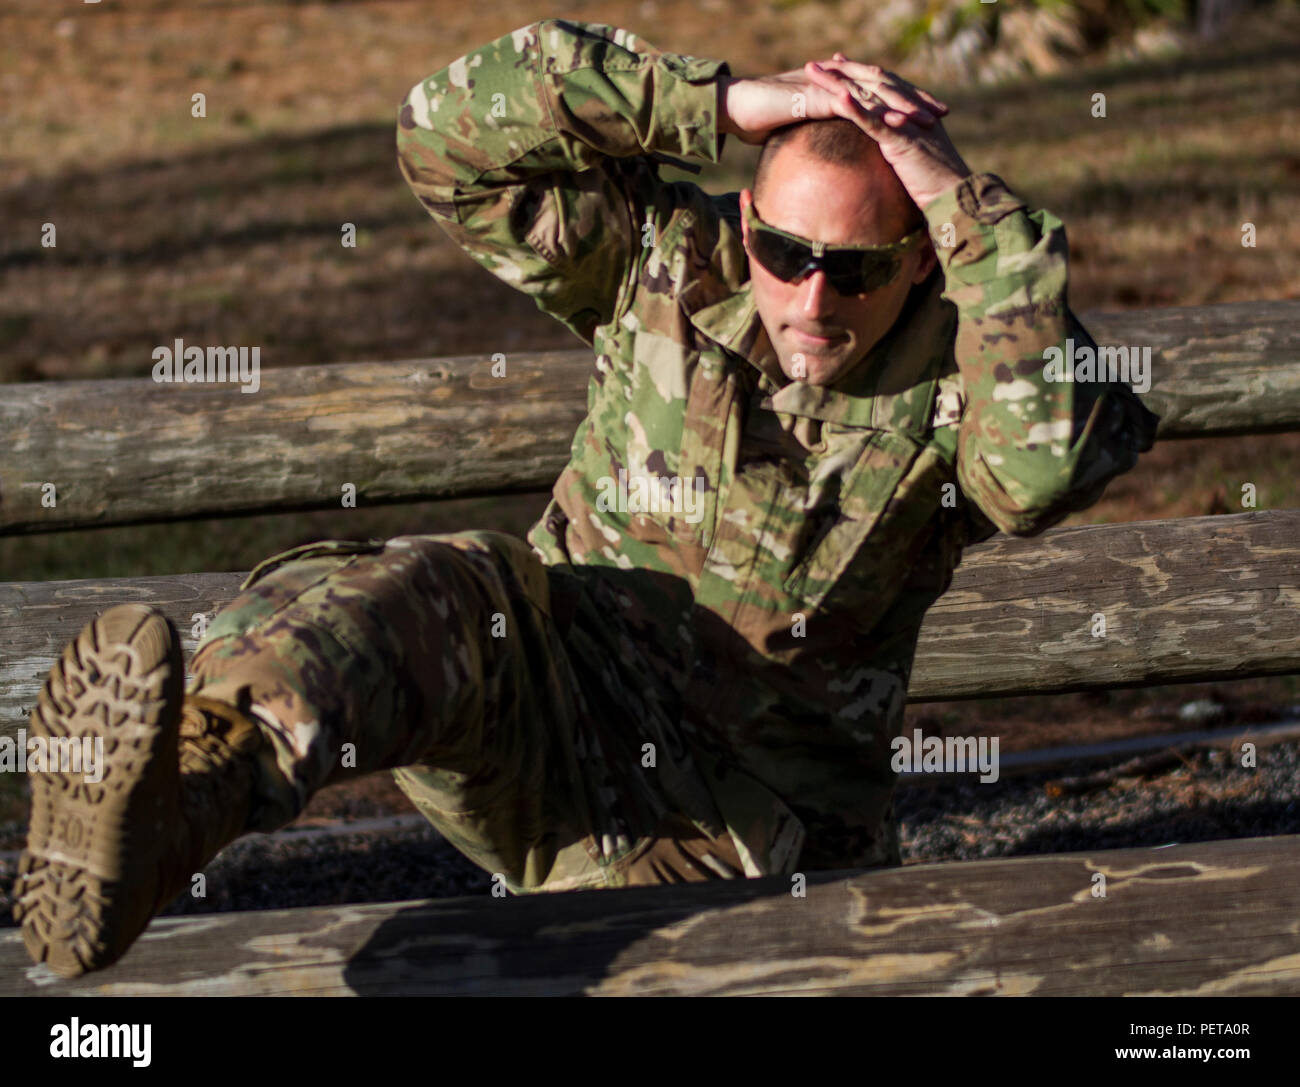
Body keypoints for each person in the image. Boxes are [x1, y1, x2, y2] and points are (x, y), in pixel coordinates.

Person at [14, 19, 1158, 978]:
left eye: (855, 267)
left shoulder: (973, 364)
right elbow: (444, 136)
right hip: (544, 701)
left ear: (918, 259)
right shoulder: (668, 257)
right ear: (745, 222)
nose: (810, 297)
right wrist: (714, 107)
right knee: (449, 582)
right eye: (782, 250)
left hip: (732, 831)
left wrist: (962, 201)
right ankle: (180, 801)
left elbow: (1044, 466)